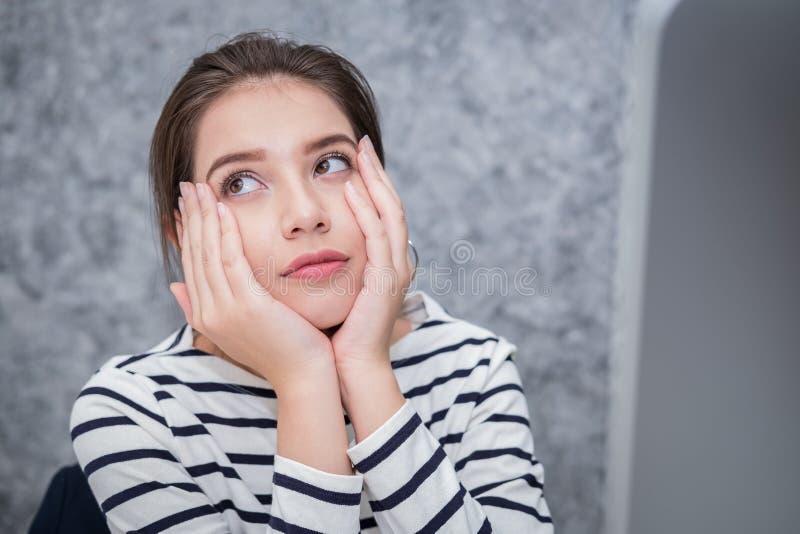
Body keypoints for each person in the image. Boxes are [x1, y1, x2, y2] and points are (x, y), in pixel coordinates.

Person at [69, 30, 554, 533]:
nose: (305, 214)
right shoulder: (134, 410)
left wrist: (365, 370)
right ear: (183, 235)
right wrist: (305, 382)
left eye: (330, 163)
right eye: (240, 182)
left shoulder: (472, 370)